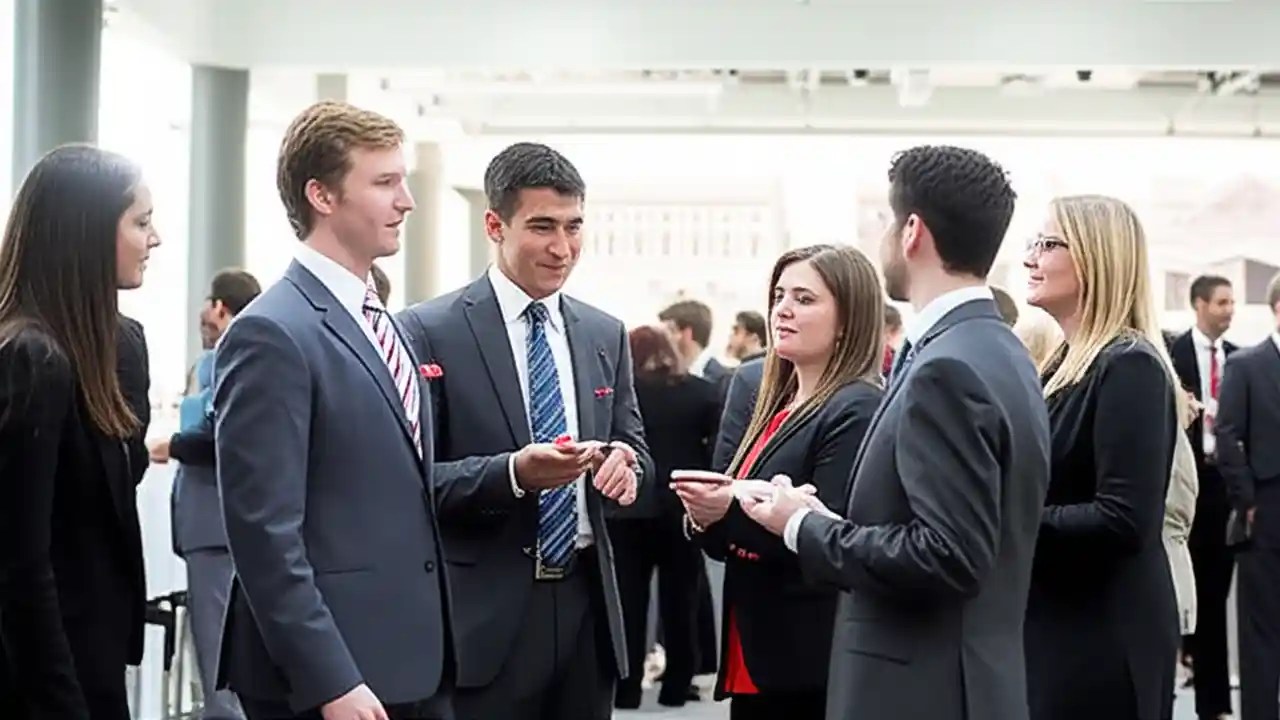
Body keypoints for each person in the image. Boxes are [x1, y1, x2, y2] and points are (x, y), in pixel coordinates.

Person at [739, 145, 1051, 720]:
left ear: (912, 232)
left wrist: (802, 526)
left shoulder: (946, 366)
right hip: (969, 679)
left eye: (886, 220)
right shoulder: (997, 349)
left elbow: (949, 555)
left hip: (920, 690)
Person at [212, 101, 453, 720]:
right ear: (321, 195)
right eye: (384, 182)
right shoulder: (273, 332)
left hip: (405, 661)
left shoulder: (382, 322)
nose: (407, 201)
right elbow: (265, 534)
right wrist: (330, 680)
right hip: (329, 680)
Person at [396, 142, 651, 720]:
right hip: (484, 616)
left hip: (588, 607)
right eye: (542, 227)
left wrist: (625, 466)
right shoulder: (427, 331)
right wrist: (512, 474)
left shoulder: (604, 334)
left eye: (574, 227)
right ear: (495, 224)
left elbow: (636, 449)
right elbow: (411, 484)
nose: (562, 248)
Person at [673, 244, 885, 719]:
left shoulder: (856, 406)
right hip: (755, 642)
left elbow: (828, 542)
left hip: (808, 652)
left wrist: (723, 512)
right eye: (778, 296)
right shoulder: (773, 404)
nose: (783, 310)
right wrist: (705, 515)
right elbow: (728, 536)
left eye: (805, 299)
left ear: (848, 318)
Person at [0, 144, 161, 719]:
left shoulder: (121, 345)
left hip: (96, 651)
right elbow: (21, 562)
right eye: (141, 222)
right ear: (87, 231)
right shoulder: (31, 359)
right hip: (45, 672)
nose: (155, 239)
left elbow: (121, 476)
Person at [1022, 195, 1180, 720]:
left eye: (1047, 244)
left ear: (1095, 256)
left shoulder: (1129, 365)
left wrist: (1009, 521)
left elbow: (1123, 518)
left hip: (1103, 635)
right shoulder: (1066, 365)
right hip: (1064, 621)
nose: (1031, 258)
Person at [161, 268, 260, 720]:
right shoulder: (234, 357)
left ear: (221, 307)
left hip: (215, 522)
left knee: (217, 653)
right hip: (214, 523)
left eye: (207, 301)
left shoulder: (229, 358)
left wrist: (173, 446)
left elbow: (223, 434)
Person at [609, 326, 719, 710]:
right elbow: (716, 451)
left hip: (627, 508)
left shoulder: (623, 395)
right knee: (682, 599)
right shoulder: (702, 392)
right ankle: (677, 685)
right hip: (681, 508)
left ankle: (626, 687)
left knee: (629, 601)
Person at [1168, 274, 1238, 719]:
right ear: (1198, 305)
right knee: (1175, 591)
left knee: (1213, 595)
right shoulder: (1171, 355)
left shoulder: (1241, 360)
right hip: (1183, 487)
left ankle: (1214, 705)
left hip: (1224, 488)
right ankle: (1173, 672)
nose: (1229, 310)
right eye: (1221, 302)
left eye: (1232, 302)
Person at [1216, 273, 1280, 720]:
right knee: (1260, 629)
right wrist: (1247, 499)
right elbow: (1227, 433)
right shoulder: (1247, 365)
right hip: (1267, 508)